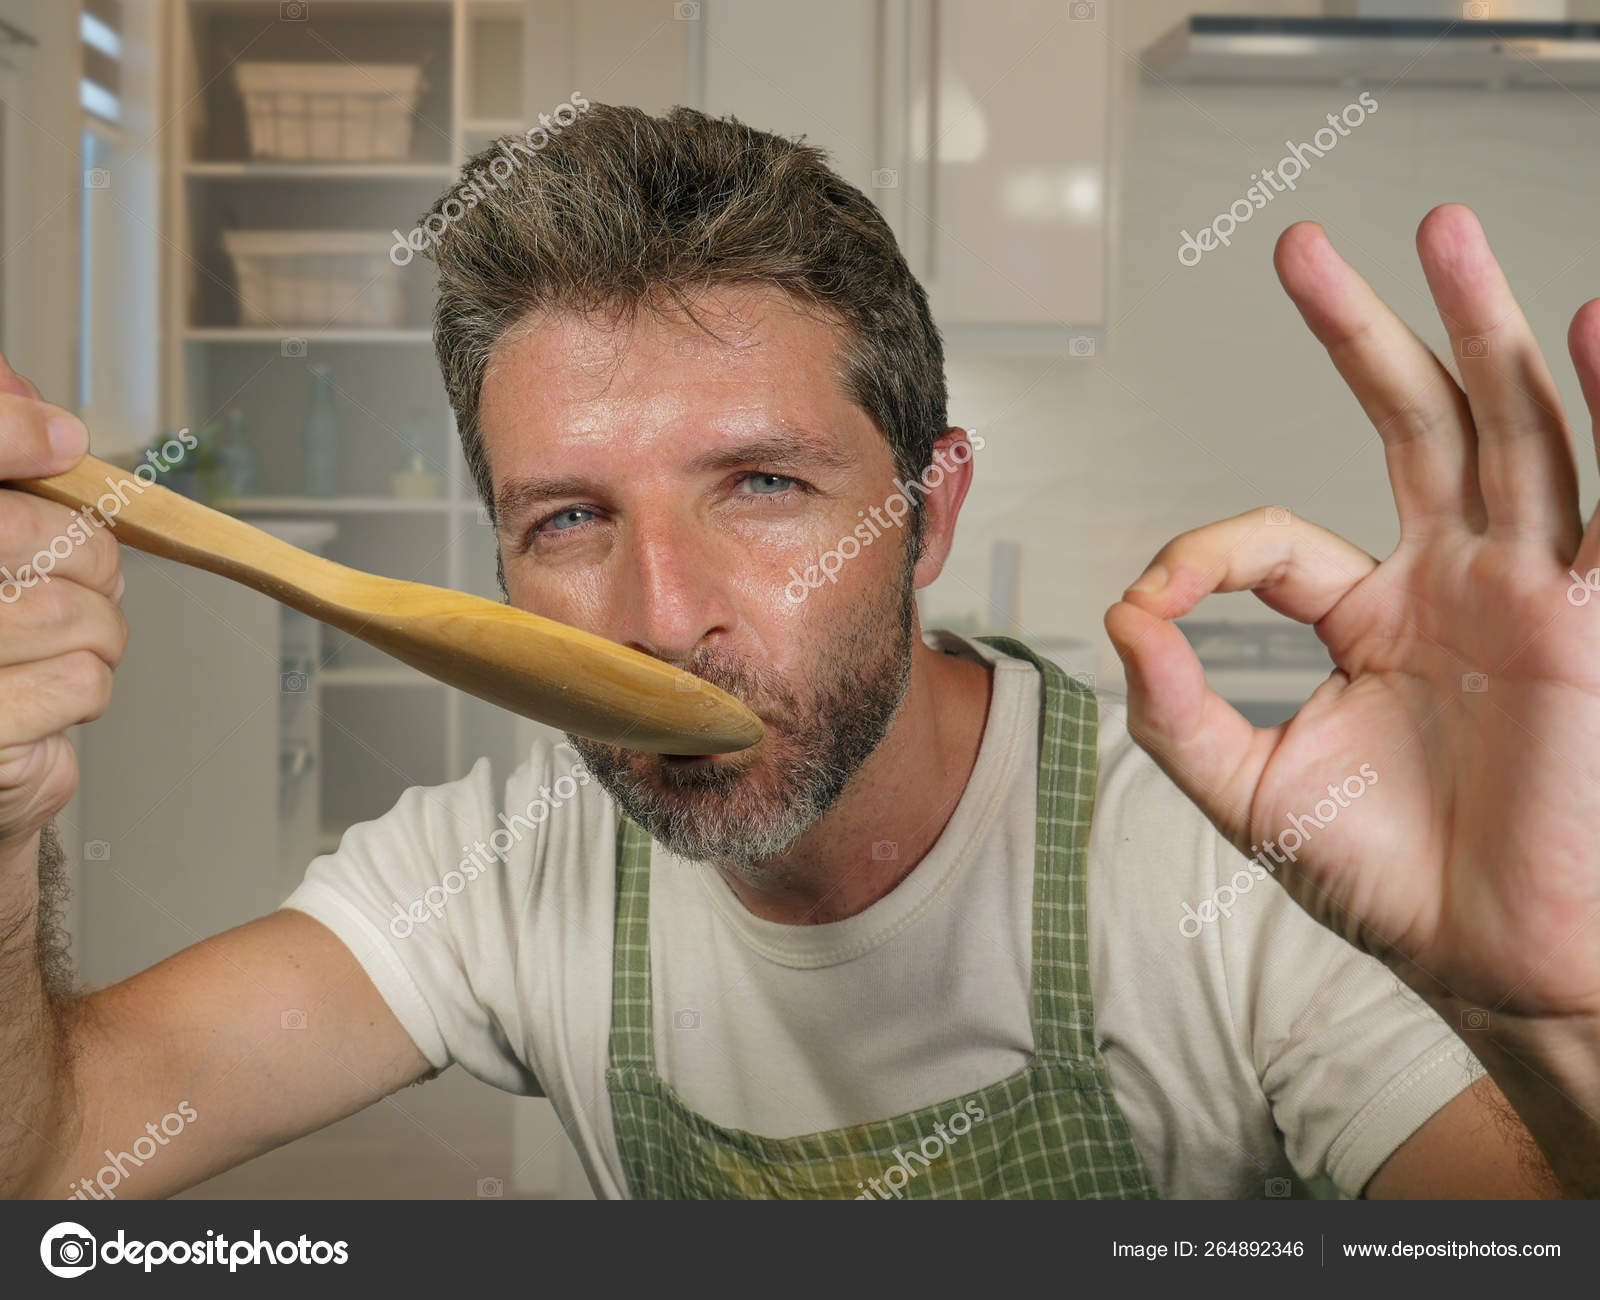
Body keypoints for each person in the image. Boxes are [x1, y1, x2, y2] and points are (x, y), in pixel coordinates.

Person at [0, 104, 1592, 1200]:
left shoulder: (1223, 873)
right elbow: (55, 1157)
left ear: (928, 511)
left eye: (762, 486)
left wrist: (1559, 1027)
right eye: (566, 520)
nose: (659, 610)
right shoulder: (502, 870)